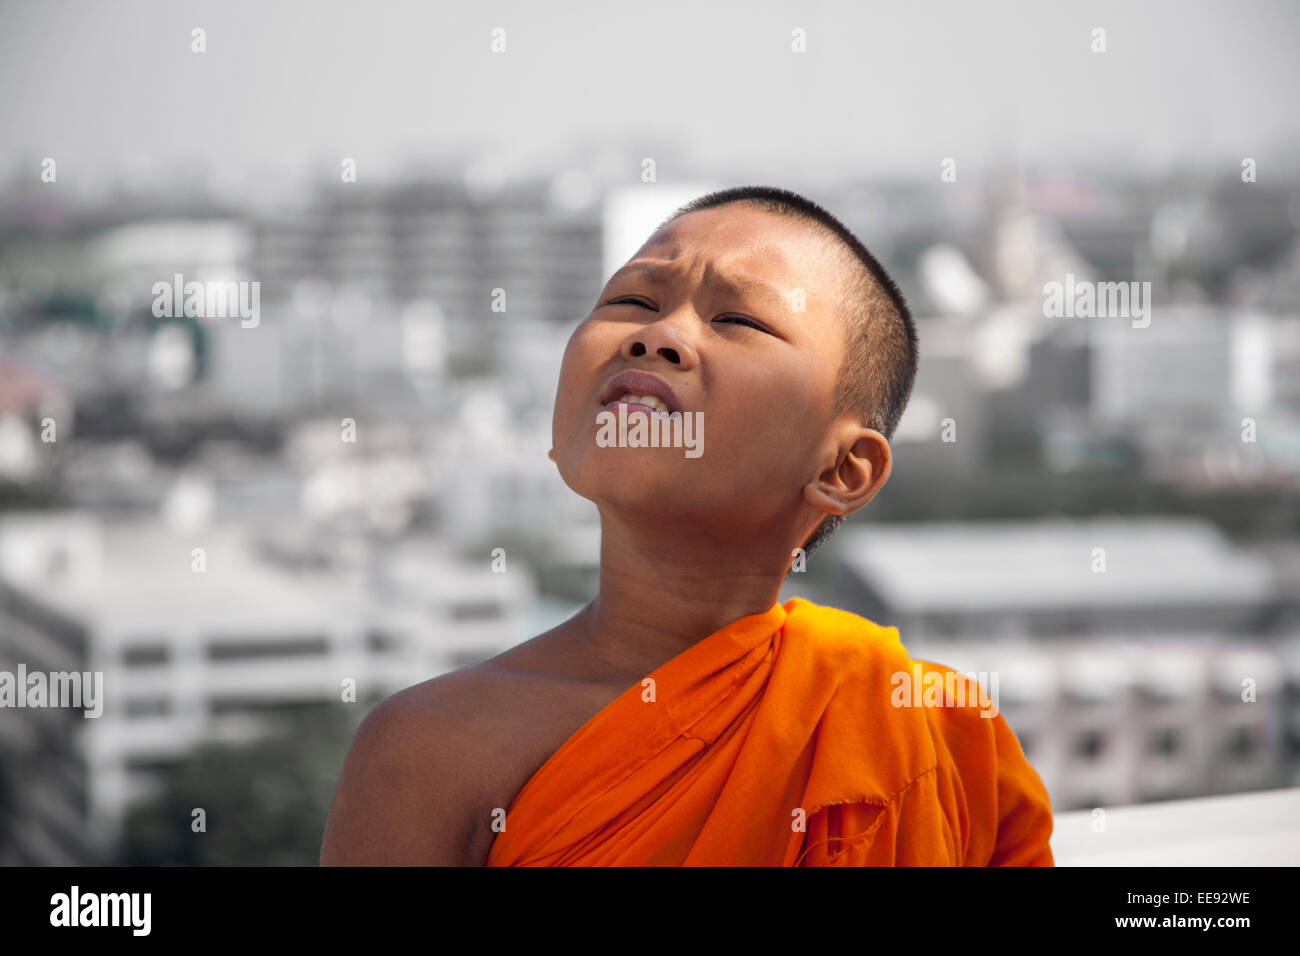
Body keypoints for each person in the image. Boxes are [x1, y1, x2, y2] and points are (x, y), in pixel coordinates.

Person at [320, 185, 1054, 866]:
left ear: (842, 471)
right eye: (633, 300)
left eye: (738, 319)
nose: (657, 334)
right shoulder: (431, 748)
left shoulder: (927, 733)